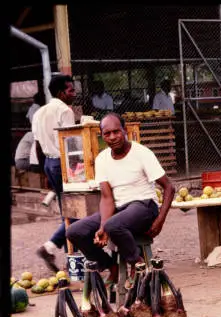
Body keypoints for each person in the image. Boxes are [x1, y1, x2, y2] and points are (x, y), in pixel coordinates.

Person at [67, 113, 175, 283]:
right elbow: (107, 198)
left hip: (144, 207)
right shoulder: (102, 159)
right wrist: (102, 227)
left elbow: (169, 187)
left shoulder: (141, 153)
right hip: (119, 209)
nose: (112, 137)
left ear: (124, 131)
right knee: (75, 231)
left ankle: (138, 265)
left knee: (113, 225)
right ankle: (111, 266)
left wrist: (160, 219)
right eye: (107, 134)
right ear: (102, 136)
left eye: (116, 132)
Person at [32, 74, 77, 273]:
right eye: (71, 90)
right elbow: (70, 144)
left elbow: (38, 145)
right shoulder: (64, 111)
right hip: (64, 163)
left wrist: (45, 173)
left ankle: (71, 259)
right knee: (75, 213)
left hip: (49, 164)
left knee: (67, 211)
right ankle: (50, 247)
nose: (74, 94)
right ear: (61, 93)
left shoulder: (39, 112)